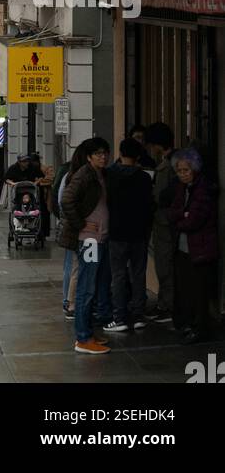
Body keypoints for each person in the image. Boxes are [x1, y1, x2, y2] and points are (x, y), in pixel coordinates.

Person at [60, 137, 113, 355]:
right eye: (98, 153)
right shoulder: (84, 175)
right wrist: (82, 224)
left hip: (99, 238)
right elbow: (66, 201)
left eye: (105, 153)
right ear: (89, 156)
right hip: (89, 239)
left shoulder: (100, 174)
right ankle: (82, 338)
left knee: (95, 285)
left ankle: (88, 333)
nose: (103, 157)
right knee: (86, 287)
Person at [168, 147, 219, 343]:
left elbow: (194, 220)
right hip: (183, 248)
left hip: (200, 249)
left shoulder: (203, 189)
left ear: (195, 169)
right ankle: (188, 324)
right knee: (186, 289)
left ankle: (201, 328)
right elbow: (173, 213)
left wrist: (181, 217)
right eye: (179, 171)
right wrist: (183, 215)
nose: (182, 174)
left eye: (186, 170)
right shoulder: (182, 189)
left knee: (200, 291)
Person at [104, 138, 154, 334]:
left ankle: (119, 317)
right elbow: (149, 205)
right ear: (138, 156)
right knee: (139, 274)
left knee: (118, 275)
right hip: (139, 233)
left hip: (117, 232)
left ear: (120, 153)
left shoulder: (110, 176)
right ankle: (138, 315)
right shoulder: (144, 178)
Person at [145, 122, 176, 323]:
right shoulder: (170, 162)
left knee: (166, 266)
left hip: (166, 222)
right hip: (165, 221)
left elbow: (164, 196)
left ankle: (168, 305)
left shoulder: (170, 165)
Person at [54, 145, 86, 319]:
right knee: (75, 266)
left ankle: (69, 301)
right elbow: (63, 202)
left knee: (71, 265)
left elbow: (59, 201)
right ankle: (70, 302)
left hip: (70, 226)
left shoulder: (68, 175)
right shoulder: (76, 177)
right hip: (75, 228)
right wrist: (78, 222)